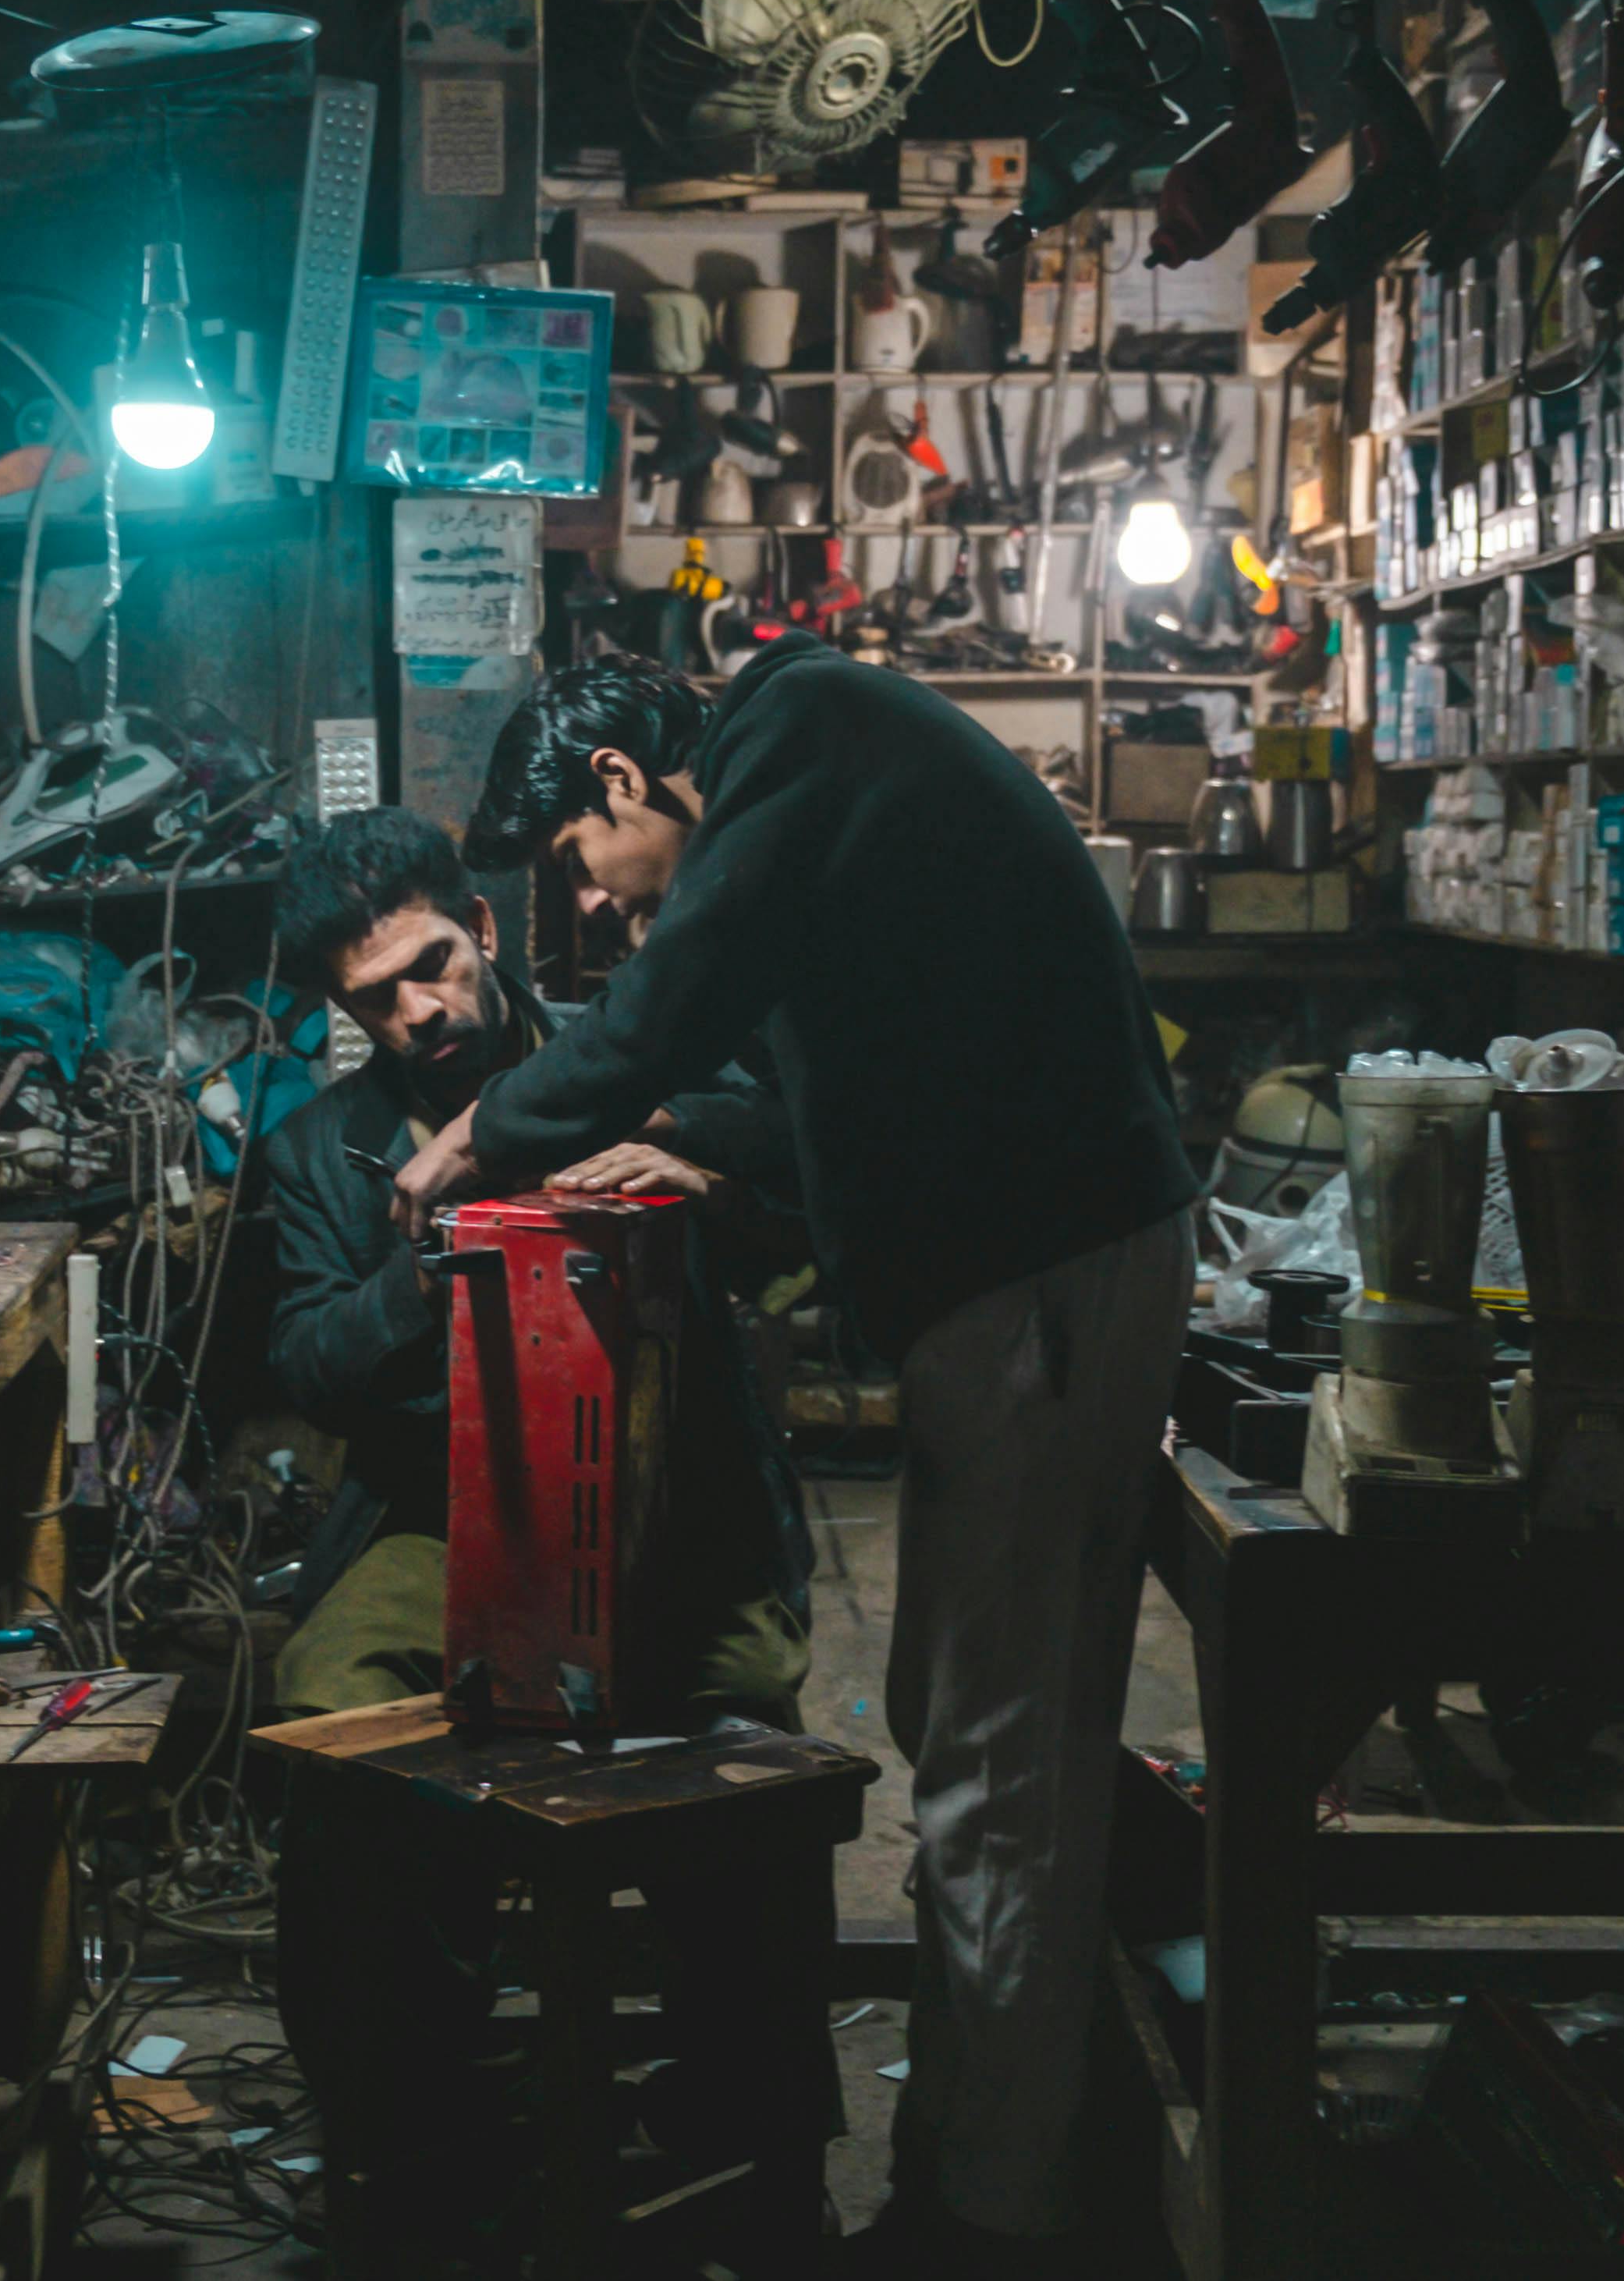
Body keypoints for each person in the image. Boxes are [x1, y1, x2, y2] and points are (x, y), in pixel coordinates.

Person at [397, 644, 1194, 2272]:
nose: (597, 903)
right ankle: (989, 2159)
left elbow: (671, 1001)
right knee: (963, 1733)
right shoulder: (813, 787)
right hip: (1014, 1285)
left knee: (999, 1771)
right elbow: (792, 1087)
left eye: (580, 863)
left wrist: (489, 1130)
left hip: (1042, 1280)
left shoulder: (800, 730)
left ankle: (990, 2218)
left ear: (620, 779)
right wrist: (681, 1140)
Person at [258, 804, 822, 2263]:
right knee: (339, 1720)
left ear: (483, 928)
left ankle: (742, 2116)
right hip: (439, 1512)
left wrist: (690, 1160)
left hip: (672, 1507)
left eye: (430, 966)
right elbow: (308, 1362)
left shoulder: (635, 1054)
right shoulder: (324, 1148)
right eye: (373, 999)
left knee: (737, 1727)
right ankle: (418, 2128)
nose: (417, 1012)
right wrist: (434, 1266)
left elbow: (808, 1171)